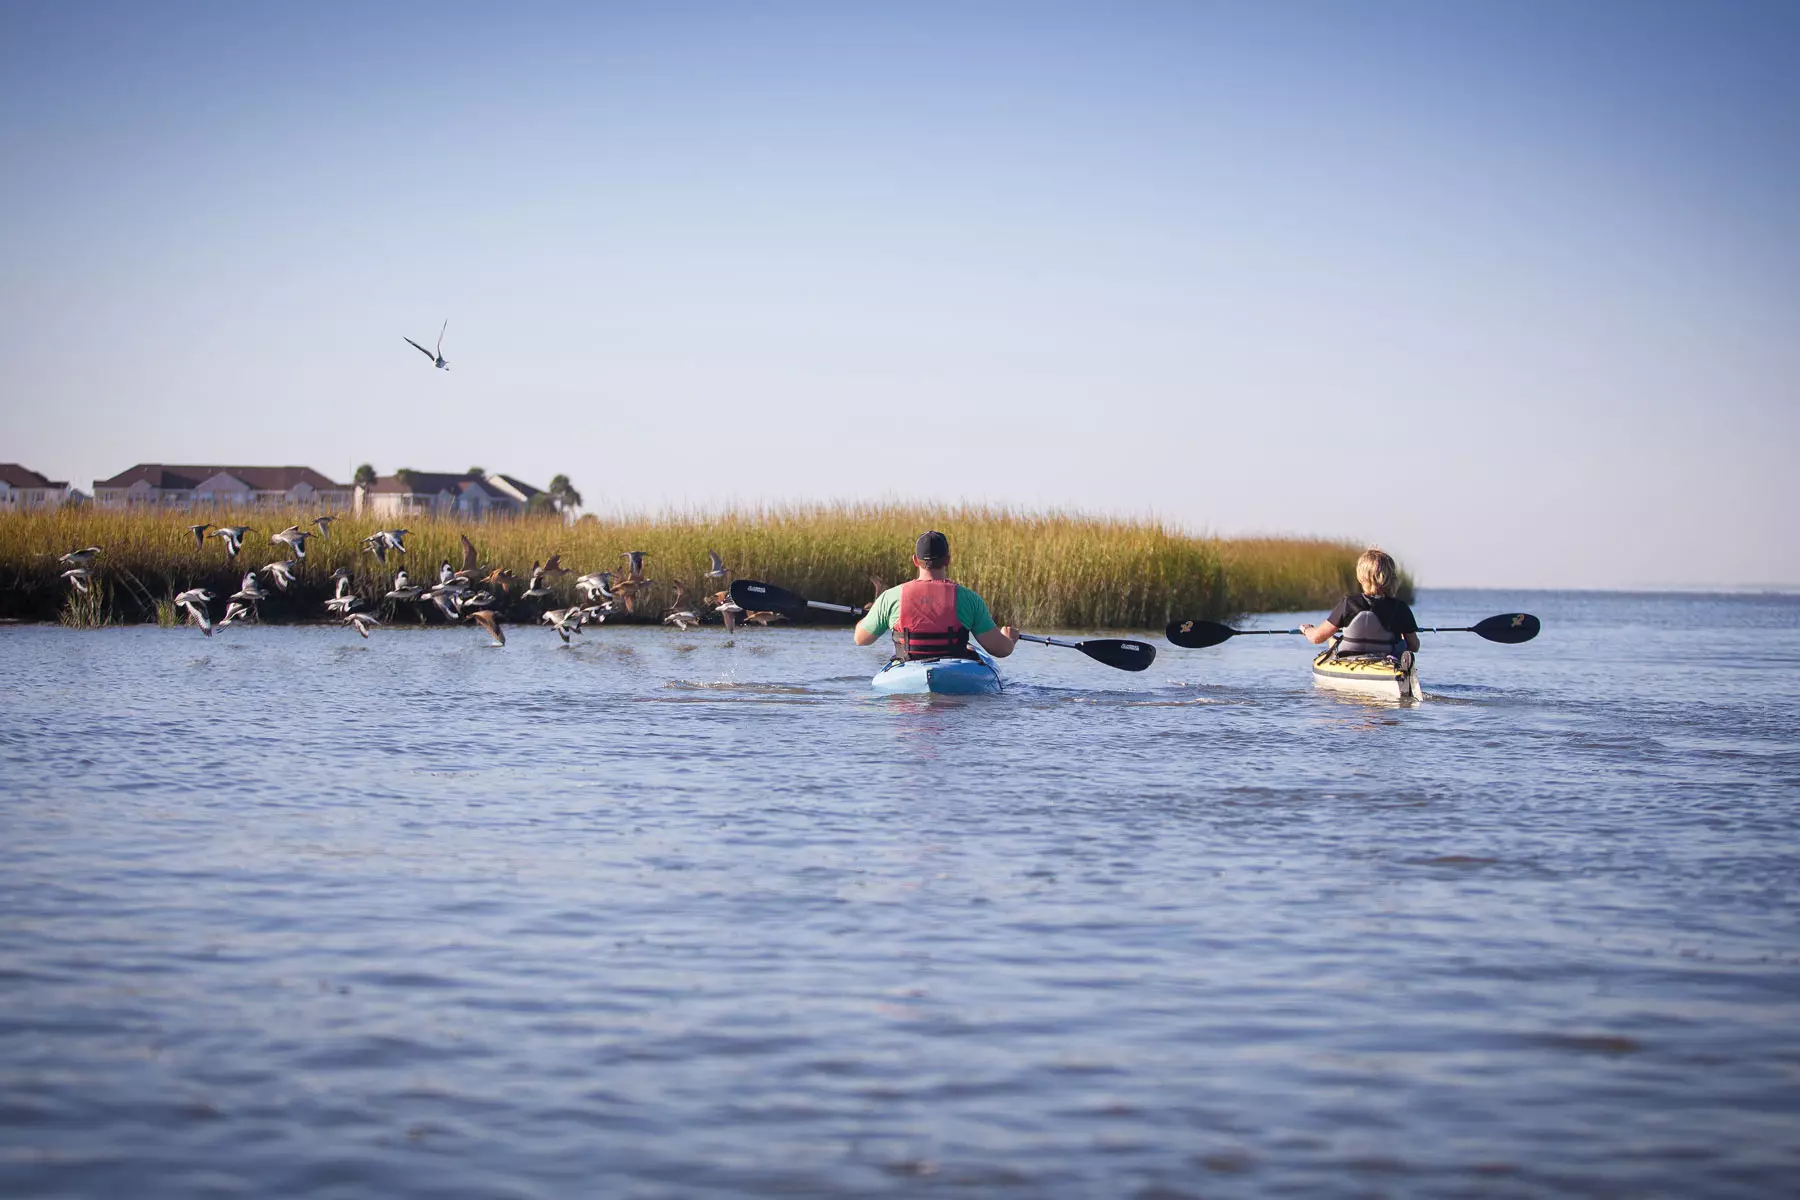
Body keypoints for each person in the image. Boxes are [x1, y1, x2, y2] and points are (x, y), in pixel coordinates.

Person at [854, 531, 1021, 660]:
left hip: (908, 672)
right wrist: (1009, 639)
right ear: (948, 559)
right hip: (953, 674)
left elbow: (861, 639)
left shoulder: (890, 597)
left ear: (915, 560)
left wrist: (873, 613)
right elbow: (1000, 650)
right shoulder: (969, 598)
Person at [1301, 547, 1420, 658]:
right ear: (1389, 577)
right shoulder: (1400, 608)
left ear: (1360, 576)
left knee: (1334, 640)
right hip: (1387, 663)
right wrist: (1402, 635)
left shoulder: (1348, 604)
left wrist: (1306, 629)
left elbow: (1316, 638)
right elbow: (1414, 646)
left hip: (1350, 661)